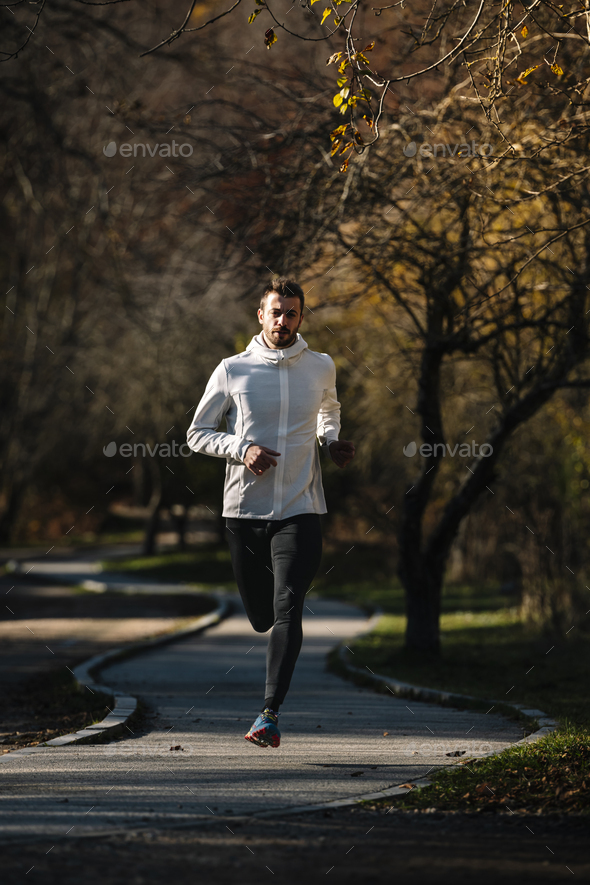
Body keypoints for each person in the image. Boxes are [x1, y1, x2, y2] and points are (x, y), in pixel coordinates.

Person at [186, 277, 355, 748]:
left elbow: (329, 409)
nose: (283, 321)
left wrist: (330, 441)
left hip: (301, 508)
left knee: (288, 608)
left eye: (292, 313)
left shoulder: (321, 366)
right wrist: (242, 449)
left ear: (302, 317)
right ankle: (268, 701)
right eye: (275, 312)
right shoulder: (231, 370)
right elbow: (197, 433)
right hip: (244, 513)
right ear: (260, 315)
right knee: (262, 616)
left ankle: (268, 715)